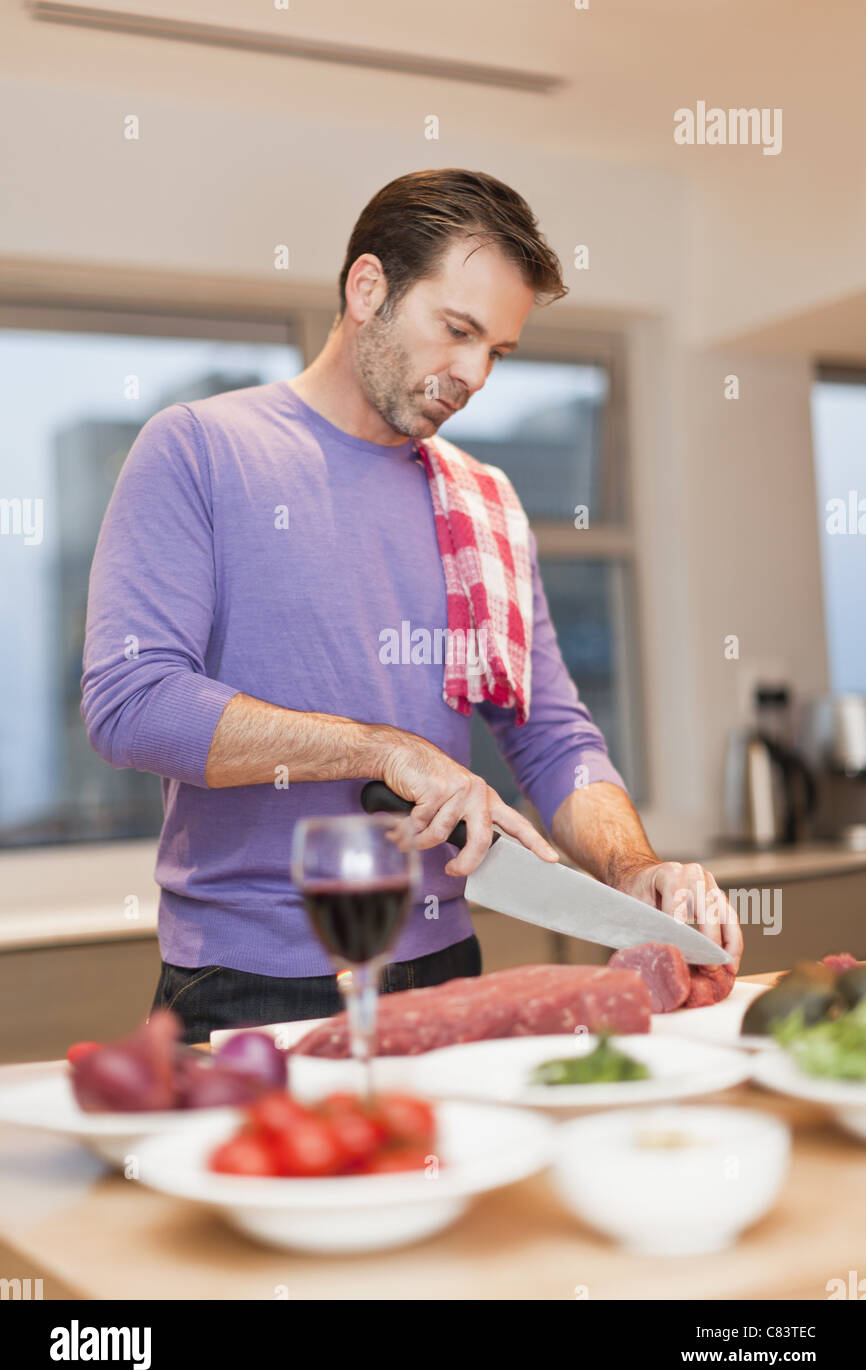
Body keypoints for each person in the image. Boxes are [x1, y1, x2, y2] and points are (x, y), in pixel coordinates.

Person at [81, 168, 742, 1043]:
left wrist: (635, 866)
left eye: (497, 352)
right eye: (457, 330)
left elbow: (552, 737)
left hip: (447, 968)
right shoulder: (200, 449)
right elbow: (131, 703)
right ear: (369, 289)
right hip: (251, 984)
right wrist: (385, 751)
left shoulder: (485, 500)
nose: (473, 374)